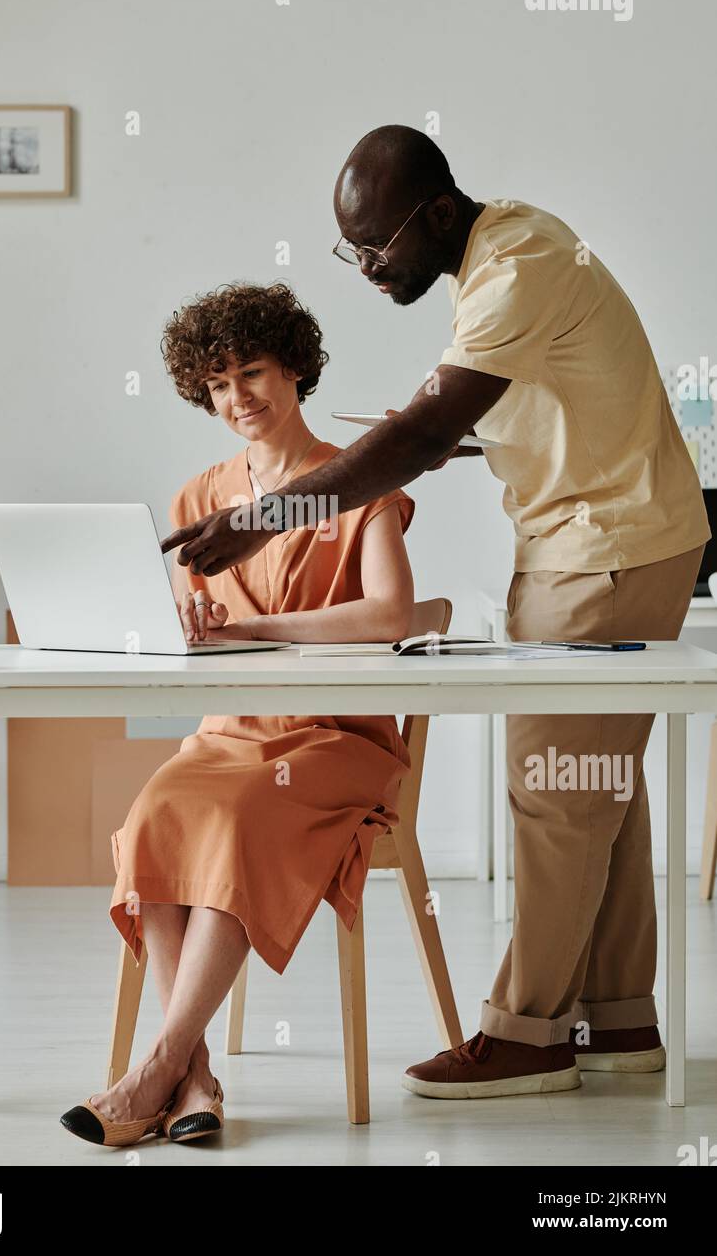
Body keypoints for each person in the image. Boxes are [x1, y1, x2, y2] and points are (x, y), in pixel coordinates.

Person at [162, 125, 711, 1100]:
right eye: (353, 252)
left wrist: (268, 517)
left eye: (377, 247)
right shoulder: (504, 255)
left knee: (552, 788)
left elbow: (423, 430)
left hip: (605, 546)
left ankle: (527, 1033)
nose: (369, 270)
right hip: (602, 539)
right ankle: (615, 1017)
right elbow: (486, 411)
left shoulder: (514, 272)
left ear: (440, 213)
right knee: (596, 790)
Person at [60, 281, 416, 1146]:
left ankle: (153, 1069)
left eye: (251, 372)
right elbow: (193, 632)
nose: (236, 399)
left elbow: (390, 616)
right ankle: (196, 1081)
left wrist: (251, 626)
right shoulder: (196, 499)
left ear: (295, 368)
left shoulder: (355, 483)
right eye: (217, 384)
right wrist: (182, 626)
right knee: (156, 817)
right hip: (230, 732)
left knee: (235, 816)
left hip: (336, 737)